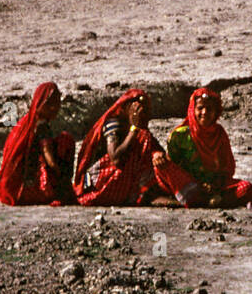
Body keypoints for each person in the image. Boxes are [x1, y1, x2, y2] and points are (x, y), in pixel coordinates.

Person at [72, 88, 200, 207]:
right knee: (143, 138)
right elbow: (115, 158)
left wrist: (157, 155)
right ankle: (142, 195)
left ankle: (153, 193)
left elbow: (155, 149)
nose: (142, 115)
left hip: (120, 179)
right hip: (101, 185)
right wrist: (134, 129)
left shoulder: (141, 131)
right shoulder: (114, 124)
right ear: (128, 107)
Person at [166, 87, 252, 210]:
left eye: (209, 109)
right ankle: (202, 199)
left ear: (216, 112)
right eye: (200, 108)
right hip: (188, 184)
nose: (204, 112)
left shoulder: (219, 133)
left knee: (247, 188)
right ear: (193, 110)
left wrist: (214, 184)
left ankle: (205, 201)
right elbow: (173, 165)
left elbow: (227, 167)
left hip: (214, 186)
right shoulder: (180, 135)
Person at [0, 81, 76, 206]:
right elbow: (50, 160)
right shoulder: (41, 126)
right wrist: (63, 178)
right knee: (65, 140)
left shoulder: (26, 122)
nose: (56, 108)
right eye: (52, 104)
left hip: (10, 185)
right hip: (25, 190)